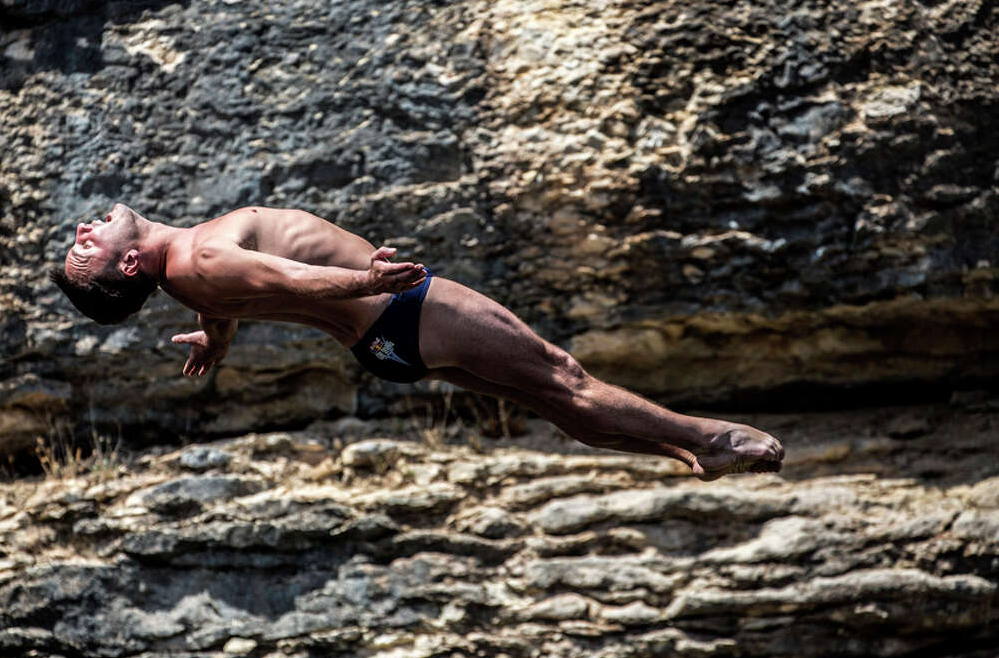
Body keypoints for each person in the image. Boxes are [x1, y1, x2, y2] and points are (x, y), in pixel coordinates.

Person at [51, 203, 784, 480]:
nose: (84, 229)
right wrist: (369, 280)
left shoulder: (184, 275)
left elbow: (237, 299)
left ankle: (681, 453)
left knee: (553, 403)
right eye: (86, 247)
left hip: (383, 351)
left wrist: (216, 341)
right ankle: (710, 437)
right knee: (563, 376)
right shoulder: (201, 257)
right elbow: (293, 279)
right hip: (401, 313)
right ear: (125, 263)